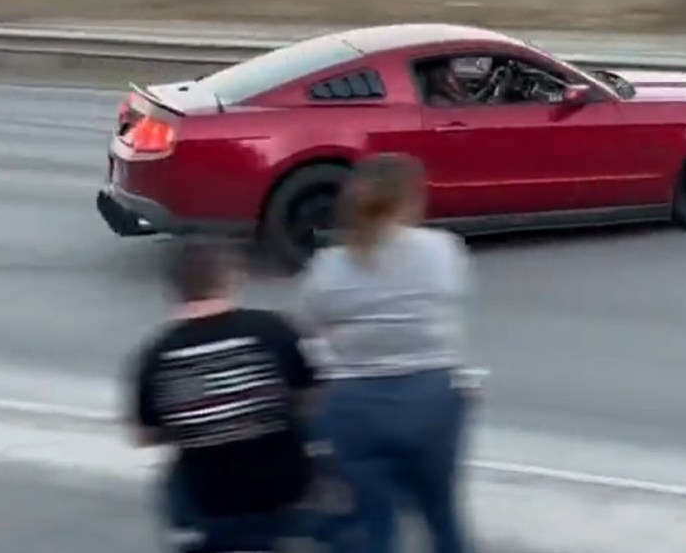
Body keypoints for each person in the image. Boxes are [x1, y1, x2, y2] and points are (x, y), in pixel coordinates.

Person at [299, 153, 473, 553]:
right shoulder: (442, 249)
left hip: (356, 405)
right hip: (430, 397)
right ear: (411, 198)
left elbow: (310, 327)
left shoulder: (328, 265)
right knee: (442, 514)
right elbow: (451, 300)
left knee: (371, 524)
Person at [124, 238, 320, 553]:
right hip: (283, 490)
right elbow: (311, 395)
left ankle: (189, 539)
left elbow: (143, 435)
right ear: (231, 279)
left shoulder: (158, 355)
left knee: (175, 476)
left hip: (210, 499)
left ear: (175, 291)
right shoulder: (271, 329)